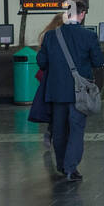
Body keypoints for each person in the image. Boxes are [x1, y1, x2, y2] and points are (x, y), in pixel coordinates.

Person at [36, 2, 104, 181]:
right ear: (82, 14)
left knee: (59, 131)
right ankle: (70, 168)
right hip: (79, 93)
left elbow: (42, 62)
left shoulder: (51, 36)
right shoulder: (89, 36)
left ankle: (61, 165)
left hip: (56, 92)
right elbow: (98, 61)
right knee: (76, 130)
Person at [31, 13, 66, 149]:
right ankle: (56, 134)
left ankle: (50, 132)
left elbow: (42, 60)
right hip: (59, 78)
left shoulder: (46, 35)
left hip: (49, 79)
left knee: (53, 107)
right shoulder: (59, 37)